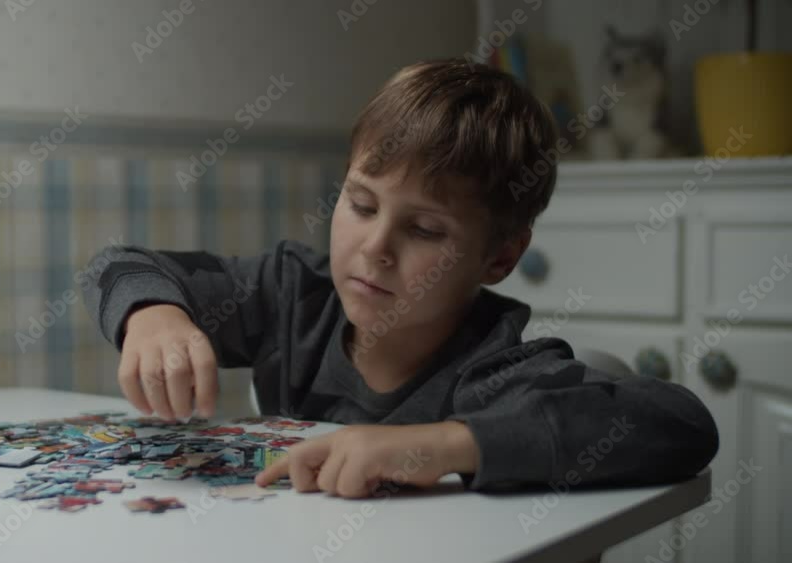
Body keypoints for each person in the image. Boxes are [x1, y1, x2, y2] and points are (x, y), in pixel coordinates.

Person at [82, 59, 718, 498]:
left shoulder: (497, 373)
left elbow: (684, 425)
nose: (375, 247)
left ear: (498, 258)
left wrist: (442, 445)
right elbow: (119, 265)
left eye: (425, 230)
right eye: (361, 205)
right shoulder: (290, 295)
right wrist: (155, 315)